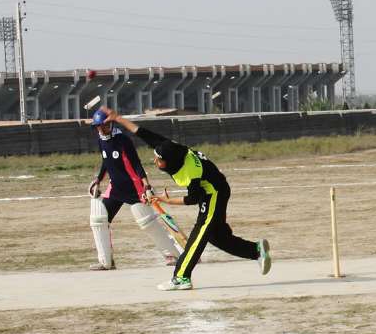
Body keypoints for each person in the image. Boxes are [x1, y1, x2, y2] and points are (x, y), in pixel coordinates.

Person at [102, 109, 270, 291]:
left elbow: (193, 199)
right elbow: (141, 132)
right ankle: (256, 250)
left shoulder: (191, 172)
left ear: (169, 162)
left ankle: (181, 277)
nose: (155, 161)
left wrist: (166, 200)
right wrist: (118, 118)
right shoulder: (168, 147)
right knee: (218, 237)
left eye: (159, 160)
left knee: (199, 235)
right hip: (212, 190)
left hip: (214, 194)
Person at [85, 108, 183, 270]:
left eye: (105, 125)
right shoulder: (101, 140)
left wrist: (146, 184)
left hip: (134, 187)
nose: (102, 129)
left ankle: (174, 254)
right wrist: (98, 179)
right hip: (115, 188)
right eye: (99, 126)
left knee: (147, 222)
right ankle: (106, 262)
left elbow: (136, 163)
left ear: (111, 124)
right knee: (98, 219)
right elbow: (106, 161)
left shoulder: (123, 140)